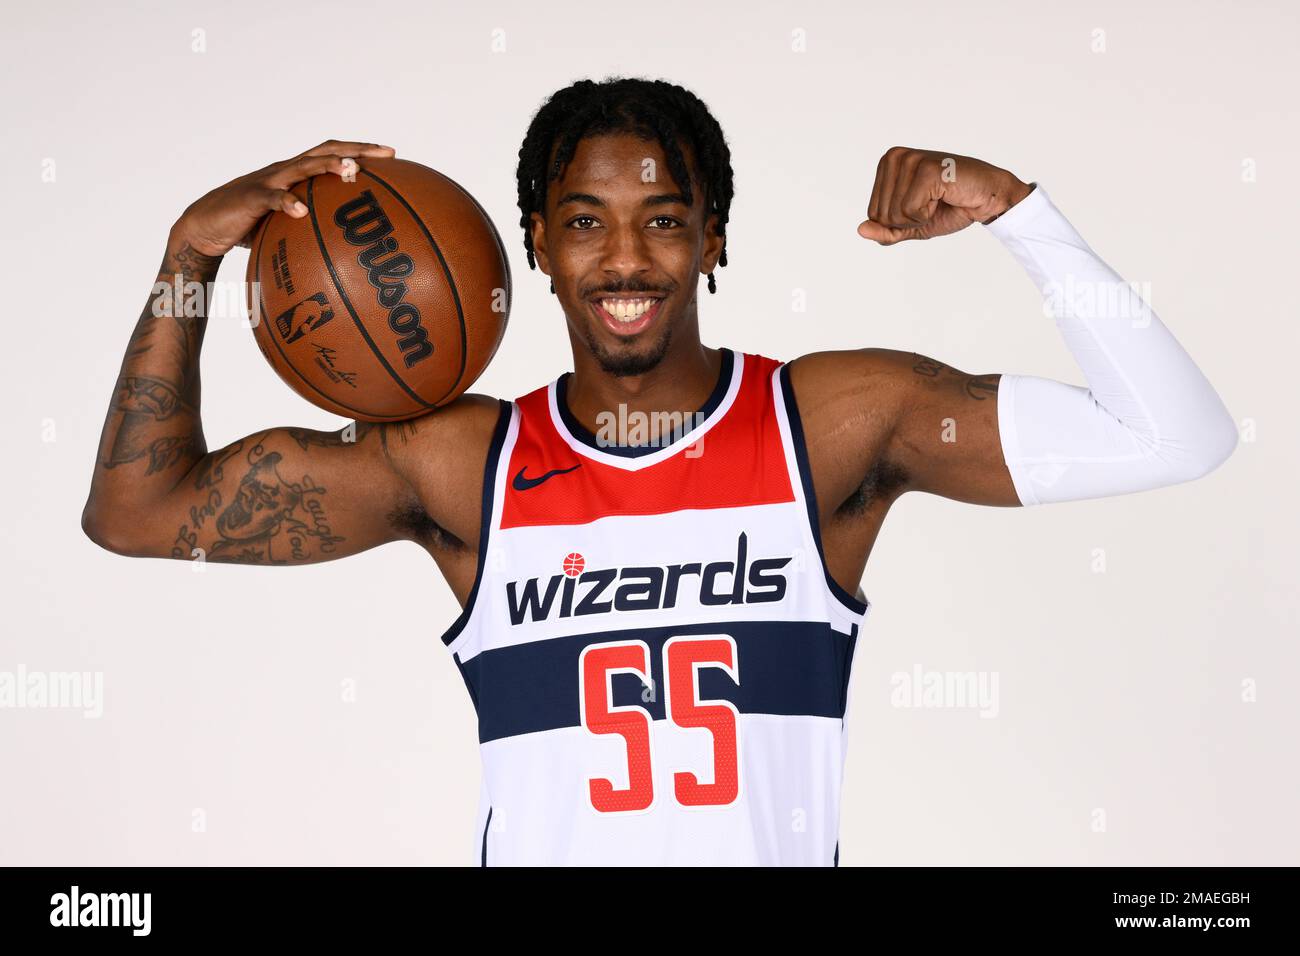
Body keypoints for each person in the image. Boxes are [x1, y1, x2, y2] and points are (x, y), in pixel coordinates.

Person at [82, 77, 1237, 865]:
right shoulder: (457, 460)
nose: (625, 258)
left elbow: (1176, 436)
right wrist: (189, 254)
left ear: (715, 237)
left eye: (665, 220)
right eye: (584, 222)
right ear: (534, 239)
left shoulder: (834, 422)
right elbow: (138, 509)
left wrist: (1019, 215)